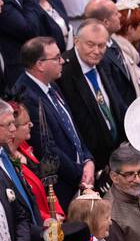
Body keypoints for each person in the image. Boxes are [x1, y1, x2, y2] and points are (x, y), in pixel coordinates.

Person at [16, 36, 94, 207]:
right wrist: (79, 174)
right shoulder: (27, 97)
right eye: (57, 57)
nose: (62, 61)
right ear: (40, 64)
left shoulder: (51, 85)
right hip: (62, 187)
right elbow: (46, 147)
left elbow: (71, 127)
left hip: (79, 175)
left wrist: (87, 159)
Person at [56, 19, 132, 173]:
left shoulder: (105, 62)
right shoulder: (63, 72)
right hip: (92, 163)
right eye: (90, 45)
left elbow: (117, 104)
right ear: (76, 41)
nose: (97, 51)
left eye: (101, 45)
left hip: (118, 153)